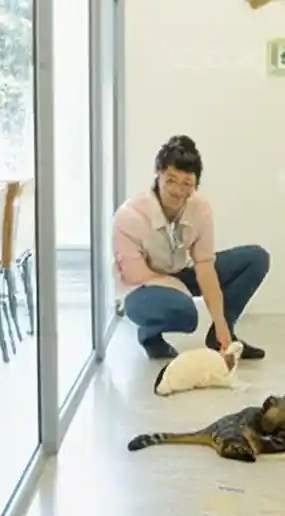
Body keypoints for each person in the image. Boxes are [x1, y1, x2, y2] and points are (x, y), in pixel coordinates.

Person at [113, 135, 270, 360]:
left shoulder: (200, 208)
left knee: (256, 258)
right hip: (141, 286)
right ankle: (149, 335)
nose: (178, 191)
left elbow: (205, 265)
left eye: (186, 184)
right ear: (158, 175)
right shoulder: (130, 216)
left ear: (195, 184)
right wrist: (177, 287)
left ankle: (220, 337)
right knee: (184, 312)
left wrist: (221, 324)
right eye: (171, 180)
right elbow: (134, 274)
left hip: (179, 270)